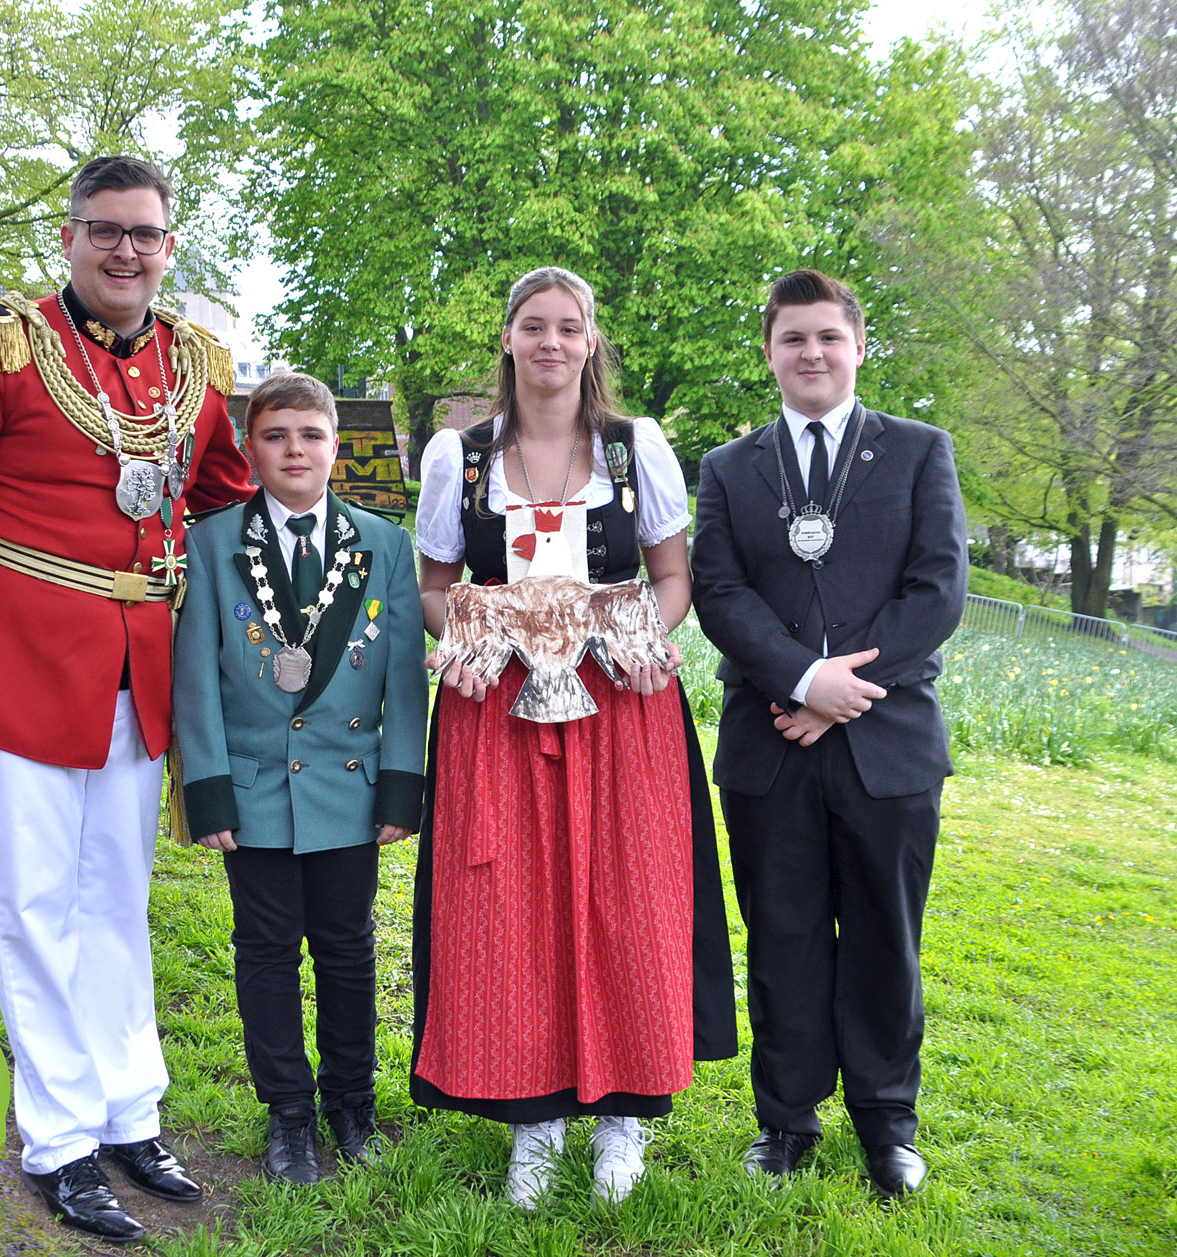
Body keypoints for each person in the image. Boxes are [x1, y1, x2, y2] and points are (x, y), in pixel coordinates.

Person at [0, 156, 254, 1242]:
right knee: (36, 904)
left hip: (142, 673)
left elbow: (228, 498)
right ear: (71, 236)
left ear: (168, 246)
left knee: (115, 901)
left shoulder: (194, 364)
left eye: (145, 234)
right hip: (20, 671)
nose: (126, 251)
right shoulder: (0, 346)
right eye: (106, 231)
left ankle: (129, 1112)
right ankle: (58, 1140)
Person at [410, 266, 737, 1209]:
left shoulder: (635, 449)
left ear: (590, 342)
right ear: (508, 338)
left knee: (626, 901)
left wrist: (631, 638)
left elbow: (672, 578)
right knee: (510, 906)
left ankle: (624, 1118)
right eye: (533, 325)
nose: (550, 342)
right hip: (498, 710)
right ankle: (536, 1121)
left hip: (617, 707)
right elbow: (434, 586)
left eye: (567, 327)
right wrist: (479, 638)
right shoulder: (461, 457)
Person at [690, 269, 968, 1199]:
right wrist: (804, 681)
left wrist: (843, 690)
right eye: (793, 338)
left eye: (828, 336)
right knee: (783, 932)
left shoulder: (920, 451)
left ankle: (888, 1124)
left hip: (889, 743)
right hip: (769, 742)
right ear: (768, 352)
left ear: (858, 346)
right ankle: (786, 1120)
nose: (812, 353)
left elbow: (937, 589)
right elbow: (719, 591)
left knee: (886, 934)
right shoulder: (730, 467)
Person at [173, 371, 429, 1184]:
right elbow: (196, 677)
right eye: (275, 435)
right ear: (250, 448)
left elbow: (403, 679)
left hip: (349, 785)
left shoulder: (383, 543)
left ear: (335, 447)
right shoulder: (213, 541)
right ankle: (288, 1113)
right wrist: (207, 788)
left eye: (311, 435)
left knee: (348, 948)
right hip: (252, 791)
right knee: (265, 947)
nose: (295, 450)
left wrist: (401, 785)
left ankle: (352, 1102)